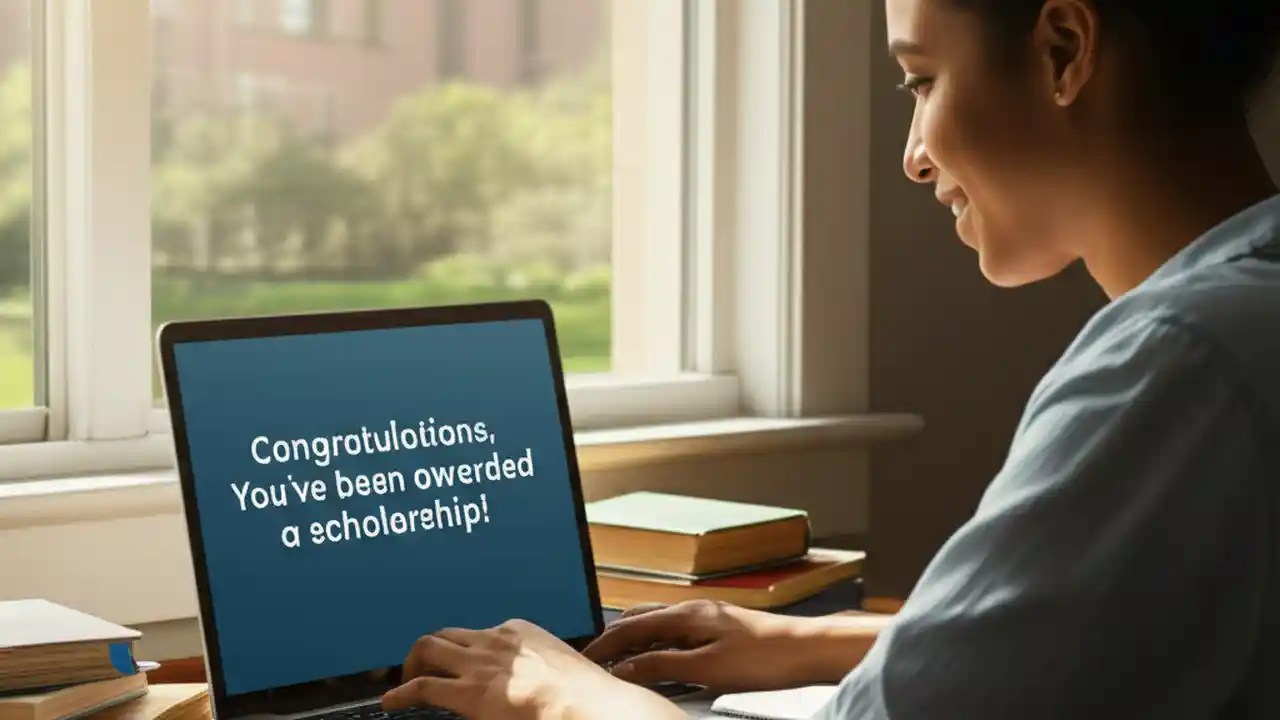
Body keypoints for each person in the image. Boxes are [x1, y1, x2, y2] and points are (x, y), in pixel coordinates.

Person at [379, 0, 1280, 717]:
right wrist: (824, 639)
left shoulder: (1175, 367)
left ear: (1063, 49)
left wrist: (566, 697)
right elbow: (1119, 636)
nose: (913, 158)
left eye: (921, 80)